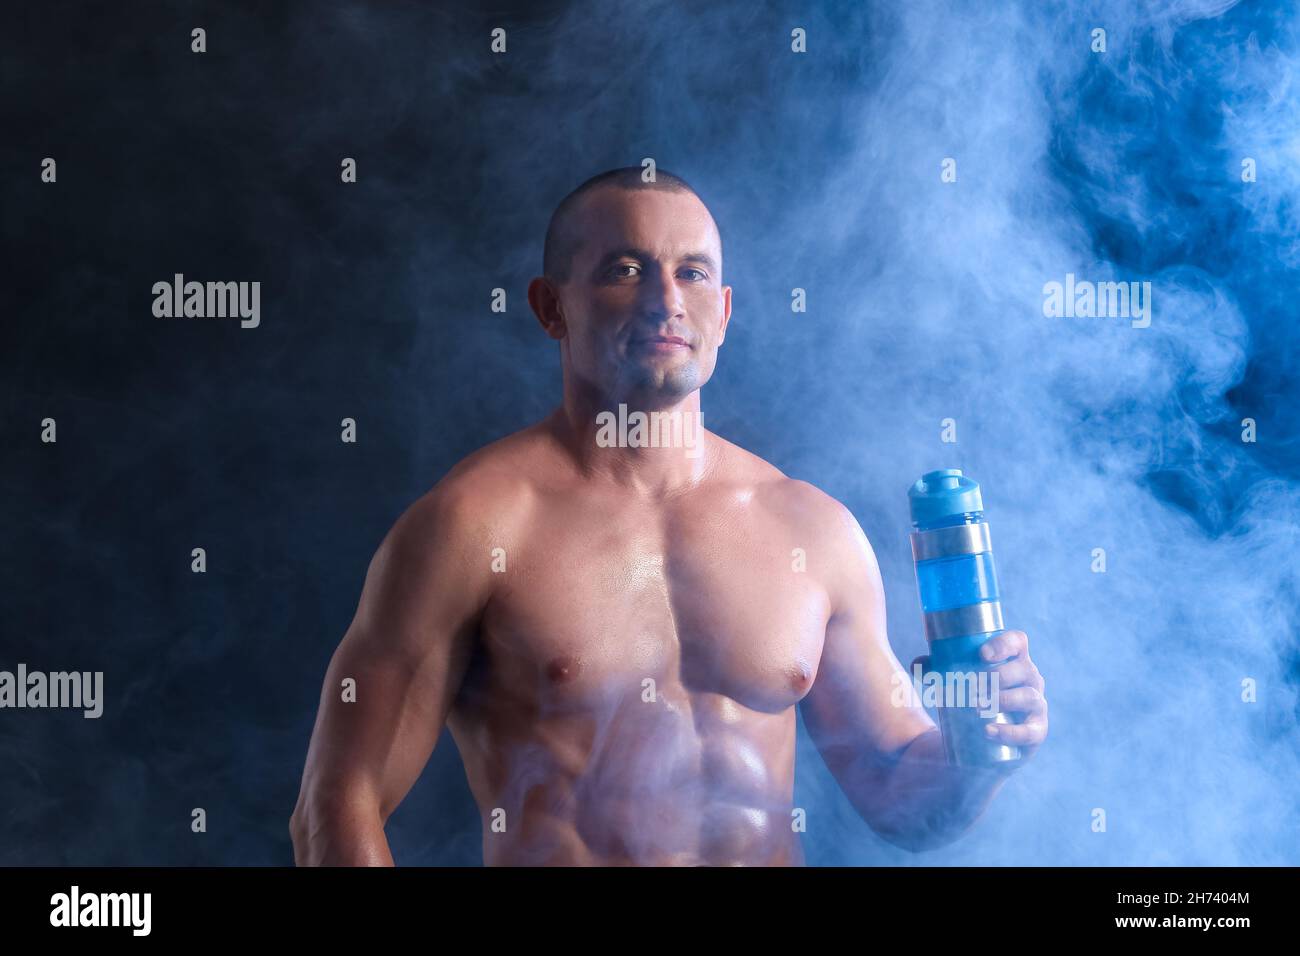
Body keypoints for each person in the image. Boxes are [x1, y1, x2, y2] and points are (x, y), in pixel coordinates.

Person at [289, 167, 1048, 865]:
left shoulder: (812, 532)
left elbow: (898, 799)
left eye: (692, 272)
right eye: (626, 270)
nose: (665, 299)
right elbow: (337, 805)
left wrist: (975, 760)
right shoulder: (476, 527)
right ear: (551, 306)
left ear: (722, 313)